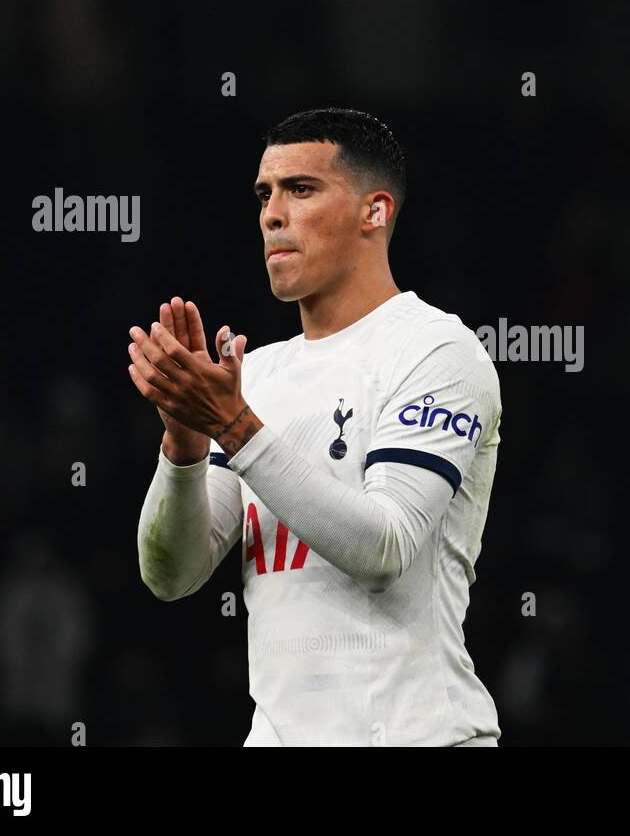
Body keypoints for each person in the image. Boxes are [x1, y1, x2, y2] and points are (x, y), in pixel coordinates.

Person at [128, 108, 502, 746]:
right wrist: (185, 445)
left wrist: (233, 425)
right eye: (264, 195)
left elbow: (383, 548)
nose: (272, 213)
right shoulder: (259, 375)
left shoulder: (437, 350)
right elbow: (172, 575)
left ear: (374, 212)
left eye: (300, 190)